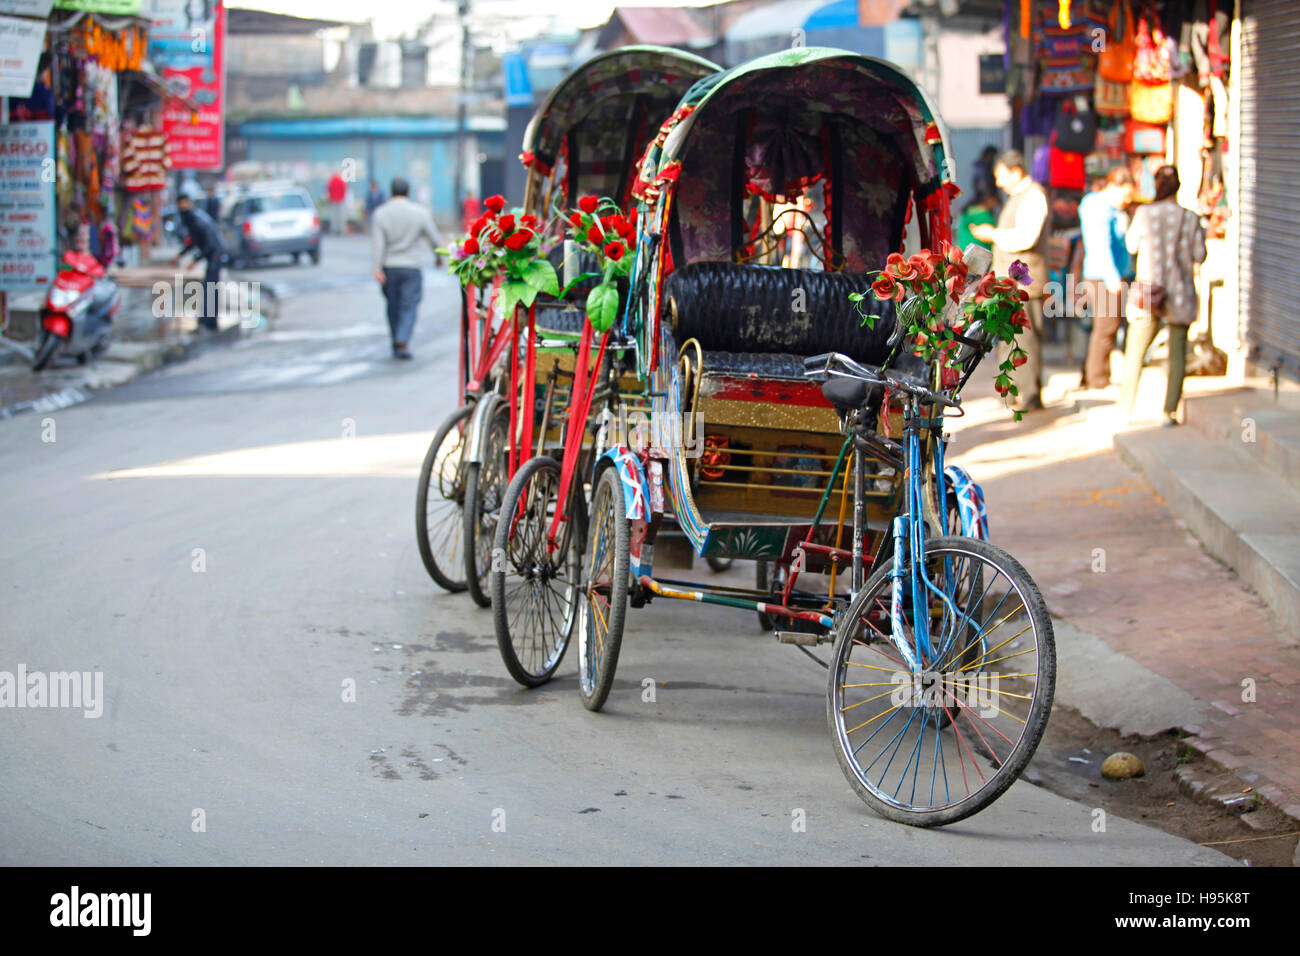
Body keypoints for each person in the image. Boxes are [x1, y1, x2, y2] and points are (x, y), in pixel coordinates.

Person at [1119, 165, 1207, 426]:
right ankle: (1168, 411)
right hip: (1181, 292)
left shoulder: (1144, 213)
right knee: (1177, 351)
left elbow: (1131, 244)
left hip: (1148, 292)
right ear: (1178, 187)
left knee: (1135, 350)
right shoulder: (1191, 218)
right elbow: (1200, 255)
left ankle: (1126, 408)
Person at [970, 150, 1049, 412]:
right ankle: (1015, 390)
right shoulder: (1017, 197)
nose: (998, 183)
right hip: (1010, 282)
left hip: (1024, 283)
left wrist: (993, 234)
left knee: (1024, 338)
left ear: (1016, 171)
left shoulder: (1034, 196)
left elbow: (1026, 238)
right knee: (1008, 337)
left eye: (1001, 176)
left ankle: (1029, 394)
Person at [371, 176, 443, 360]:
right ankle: (402, 339)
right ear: (407, 192)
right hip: (412, 267)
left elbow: (378, 244)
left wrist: (377, 268)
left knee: (393, 306)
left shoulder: (381, 213)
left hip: (390, 267)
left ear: (391, 191)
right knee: (409, 305)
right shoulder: (419, 212)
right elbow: (434, 237)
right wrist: (439, 256)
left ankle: (397, 338)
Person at [1077, 167, 1135, 390]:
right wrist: (1113, 278)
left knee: (1102, 327)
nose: (1128, 201)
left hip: (1105, 275)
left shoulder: (1109, 208)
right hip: (1103, 277)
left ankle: (1092, 375)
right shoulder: (1098, 207)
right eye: (1126, 195)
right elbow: (1100, 245)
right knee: (1106, 328)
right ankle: (1098, 378)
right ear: (1115, 187)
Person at [171, 186, 226, 332]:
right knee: (208, 287)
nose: (182, 207)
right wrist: (181, 255)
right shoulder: (192, 218)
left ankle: (210, 321)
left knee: (210, 288)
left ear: (189, 203)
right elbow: (195, 241)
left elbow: (208, 243)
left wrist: (195, 260)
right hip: (212, 254)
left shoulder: (196, 219)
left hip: (215, 254)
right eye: (180, 204)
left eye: (185, 203)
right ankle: (206, 319)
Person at [956, 186, 998, 252]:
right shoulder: (986, 216)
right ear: (990, 198)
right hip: (980, 258)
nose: (995, 204)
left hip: (962, 256)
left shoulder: (966, 212)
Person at [327, 171, 347, 235]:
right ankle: (341, 230)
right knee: (341, 216)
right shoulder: (341, 181)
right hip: (340, 199)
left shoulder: (331, 180)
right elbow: (344, 189)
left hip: (333, 200)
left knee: (334, 216)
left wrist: (330, 198)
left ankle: (334, 229)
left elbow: (329, 190)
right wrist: (342, 197)